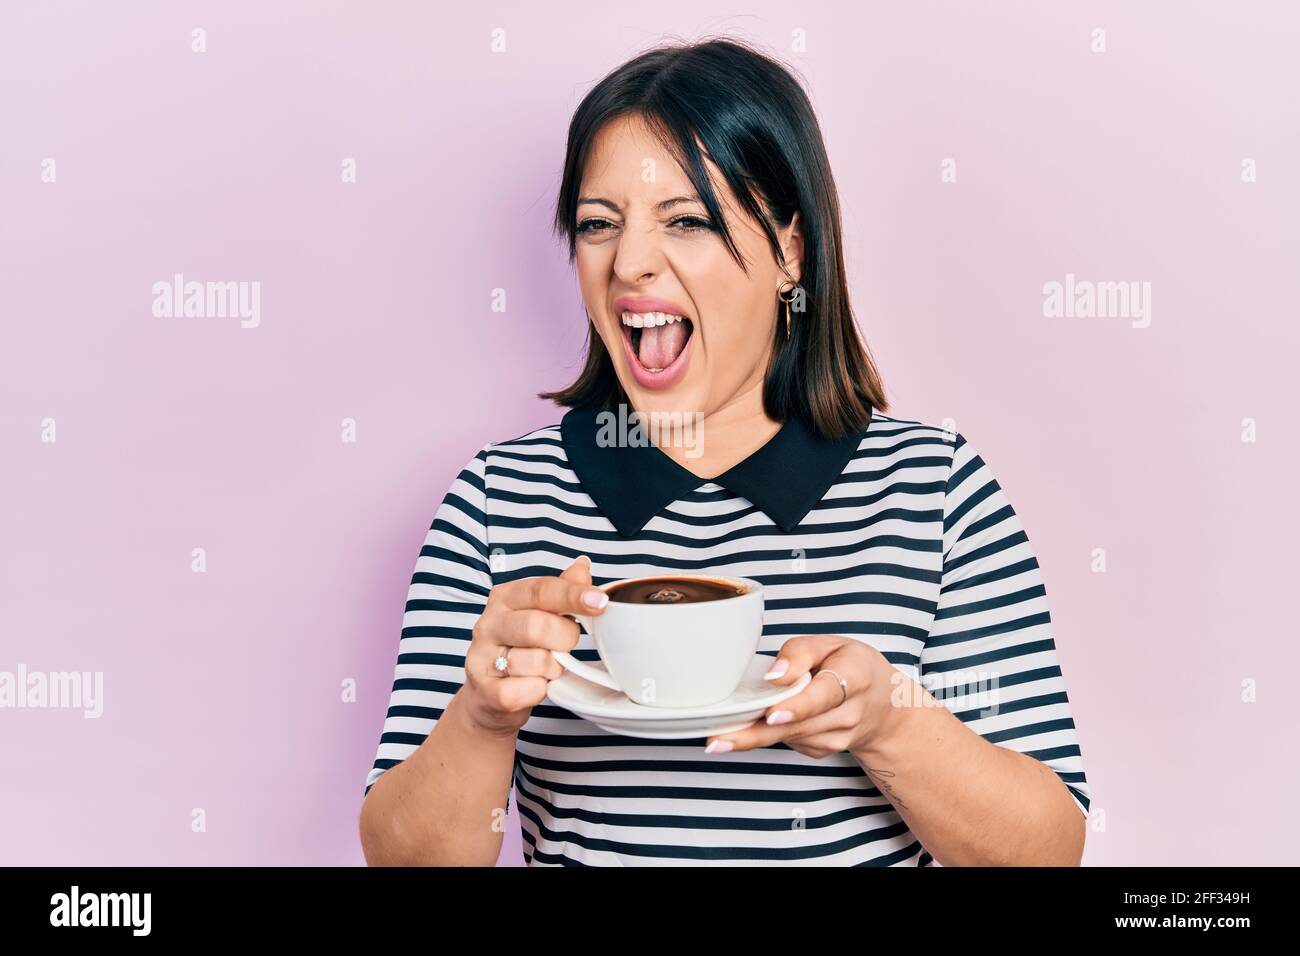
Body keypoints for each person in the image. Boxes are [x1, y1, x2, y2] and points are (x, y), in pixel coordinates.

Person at [358, 37, 1090, 866]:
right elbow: (402, 858)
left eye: (687, 220)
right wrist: (481, 717)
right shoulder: (497, 500)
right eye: (599, 224)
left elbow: (1048, 851)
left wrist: (889, 720)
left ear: (791, 251)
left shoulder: (936, 491)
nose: (629, 263)